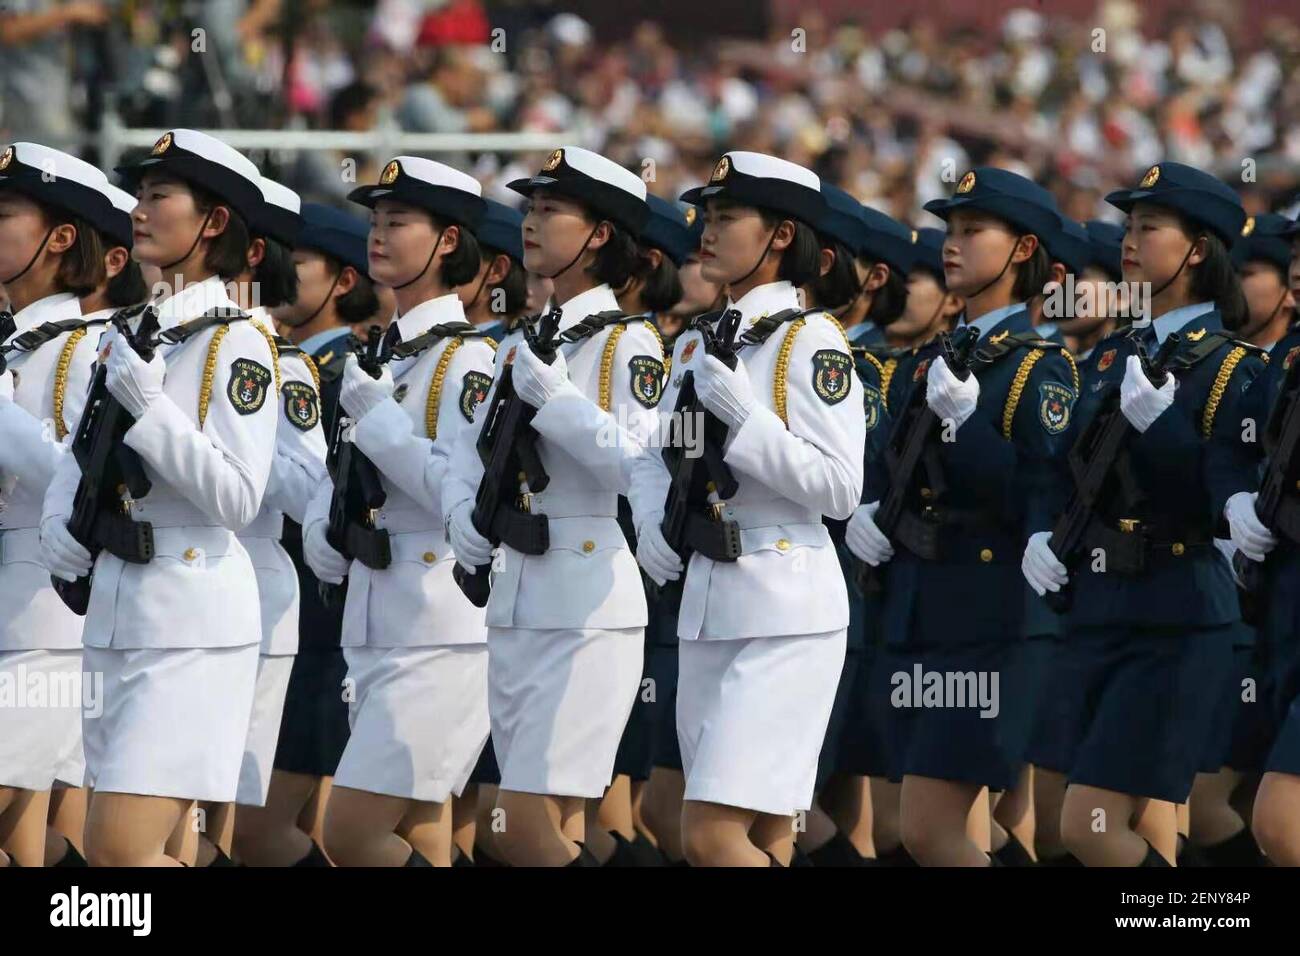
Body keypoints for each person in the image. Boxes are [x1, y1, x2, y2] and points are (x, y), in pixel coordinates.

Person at [38, 129, 277, 866]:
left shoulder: (237, 341)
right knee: (157, 852)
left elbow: (238, 498)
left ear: (213, 223)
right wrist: (59, 513)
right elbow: (85, 452)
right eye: (139, 196)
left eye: (160, 196)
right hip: (116, 612)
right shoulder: (128, 332)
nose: (140, 210)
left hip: (193, 621)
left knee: (115, 852)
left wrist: (152, 412)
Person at [627, 150, 866, 866]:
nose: (706, 229)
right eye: (706, 214)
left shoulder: (811, 340)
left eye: (728, 217)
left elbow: (840, 489)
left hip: (786, 606)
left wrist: (750, 425)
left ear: (782, 235)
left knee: (710, 834)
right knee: (761, 833)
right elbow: (650, 452)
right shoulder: (700, 339)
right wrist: (646, 516)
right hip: (709, 600)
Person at [1025, 161, 1265, 867]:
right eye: (1128, 227)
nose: (1129, 241)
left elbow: (1227, 500)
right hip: (1098, 607)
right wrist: (1042, 527)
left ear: (1197, 250)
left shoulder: (1231, 368)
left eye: (1149, 228)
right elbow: (1057, 463)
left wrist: (1162, 430)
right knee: (1128, 824)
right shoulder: (1113, 355)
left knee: (1089, 827)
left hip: (1176, 615)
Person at [847, 166, 1077, 866]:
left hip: (992, 615)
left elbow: (1044, 496)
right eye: (951, 230)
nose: (952, 244)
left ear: (1023, 252)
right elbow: (897, 462)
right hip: (922, 606)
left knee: (930, 827)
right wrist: (870, 506)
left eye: (975, 232)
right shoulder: (938, 360)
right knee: (939, 828)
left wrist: (970, 423)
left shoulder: (1041, 368)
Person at [442, 145, 662, 866]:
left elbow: (640, 464)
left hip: (586, 598)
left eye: (549, 209)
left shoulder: (628, 342)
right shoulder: (526, 342)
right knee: (558, 827)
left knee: (522, 826)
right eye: (529, 208)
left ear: (600, 234)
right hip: (518, 592)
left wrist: (558, 402)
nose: (529, 222)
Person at [303, 156, 496, 867]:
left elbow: (465, 500)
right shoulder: (385, 352)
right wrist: (326, 515)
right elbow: (353, 470)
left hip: (440, 626)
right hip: (381, 619)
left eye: (399, 222)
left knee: (349, 833)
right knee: (422, 835)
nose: (378, 235)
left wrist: (382, 428)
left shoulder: (468, 360)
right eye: (375, 221)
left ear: (449, 241)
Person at [0, 143, 126, 866]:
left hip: (50, 620)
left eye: (6, 213)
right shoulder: (19, 347)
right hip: (16, 619)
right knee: (39, 847)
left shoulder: (88, 348)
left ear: (62, 237)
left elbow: (80, 480)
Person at [255, 202, 380, 864]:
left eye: (297, 264)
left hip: (325, 623)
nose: (278, 273)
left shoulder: (346, 375)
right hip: (282, 615)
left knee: (299, 826)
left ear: (344, 282)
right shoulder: (275, 359)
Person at [1215, 213, 1300, 866]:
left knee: (1279, 819)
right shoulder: (1285, 358)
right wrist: (1235, 499)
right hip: (1280, 605)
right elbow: (1228, 444)